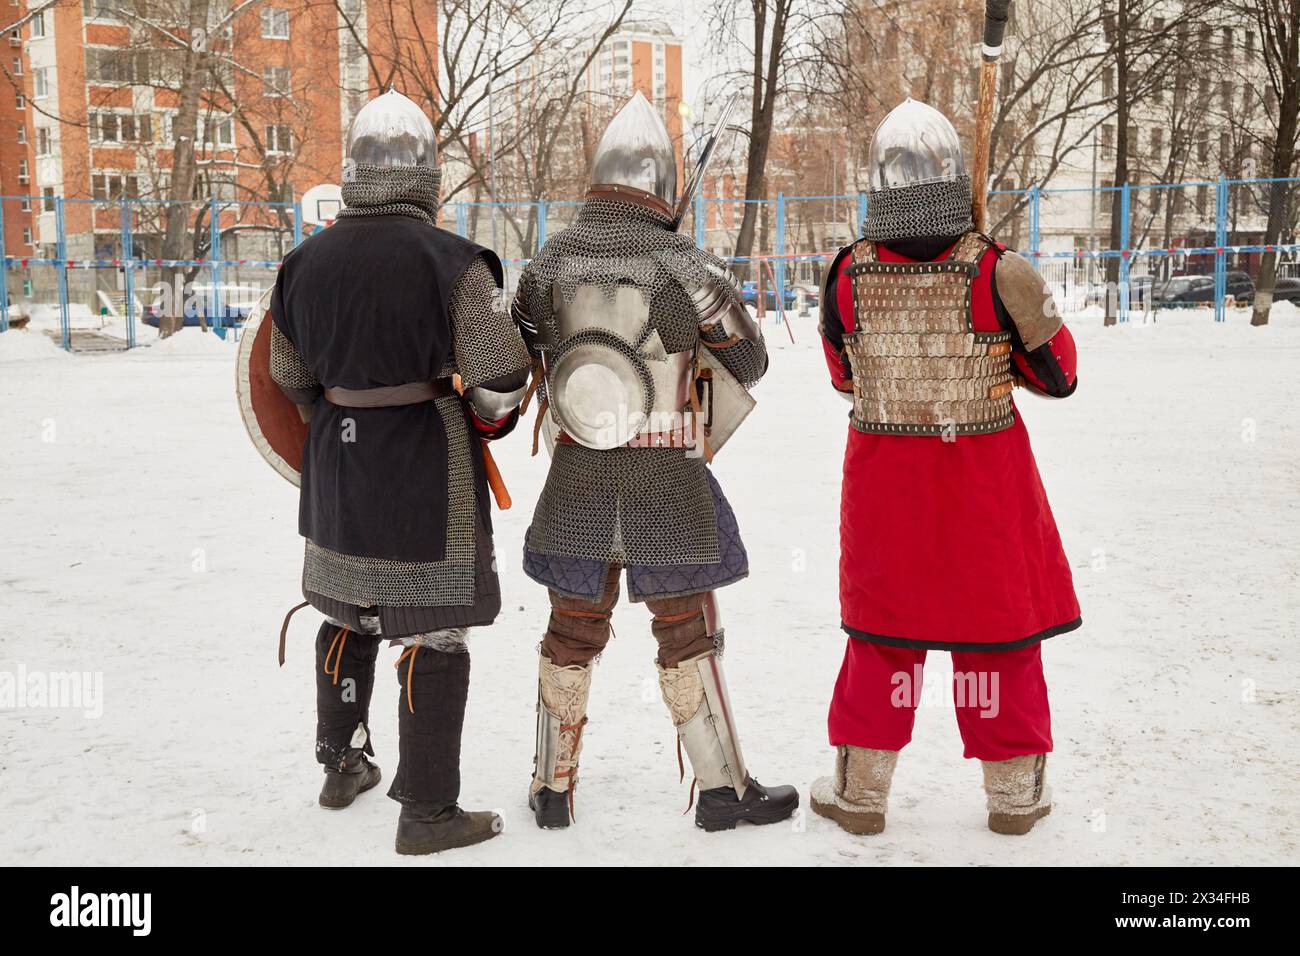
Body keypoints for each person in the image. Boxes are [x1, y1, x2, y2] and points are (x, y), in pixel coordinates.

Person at [510, 91, 799, 832]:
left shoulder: (549, 265)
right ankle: (722, 792)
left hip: (577, 469)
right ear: (661, 188)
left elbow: (508, 363)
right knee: (686, 629)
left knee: (571, 627)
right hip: (665, 472)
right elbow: (753, 362)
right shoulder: (682, 266)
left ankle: (551, 787)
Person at [269, 90, 530, 854]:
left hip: (338, 465)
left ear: (354, 171)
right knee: (434, 630)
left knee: (348, 610)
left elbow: (285, 373)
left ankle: (343, 764)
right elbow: (500, 374)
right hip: (426, 461)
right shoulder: (451, 262)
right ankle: (427, 811)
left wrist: (345, 408)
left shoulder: (302, 262)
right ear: (426, 173)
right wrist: (489, 399)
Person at [812, 99, 1080, 837]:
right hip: (982, 484)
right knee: (993, 633)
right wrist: (1002, 334)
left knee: (882, 637)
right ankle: (1015, 796)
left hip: (885, 483)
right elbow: (1059, 375)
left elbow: (843, 379)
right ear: (953, 181)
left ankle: (862, 795)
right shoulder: (1003, 271)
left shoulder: (845, 275)